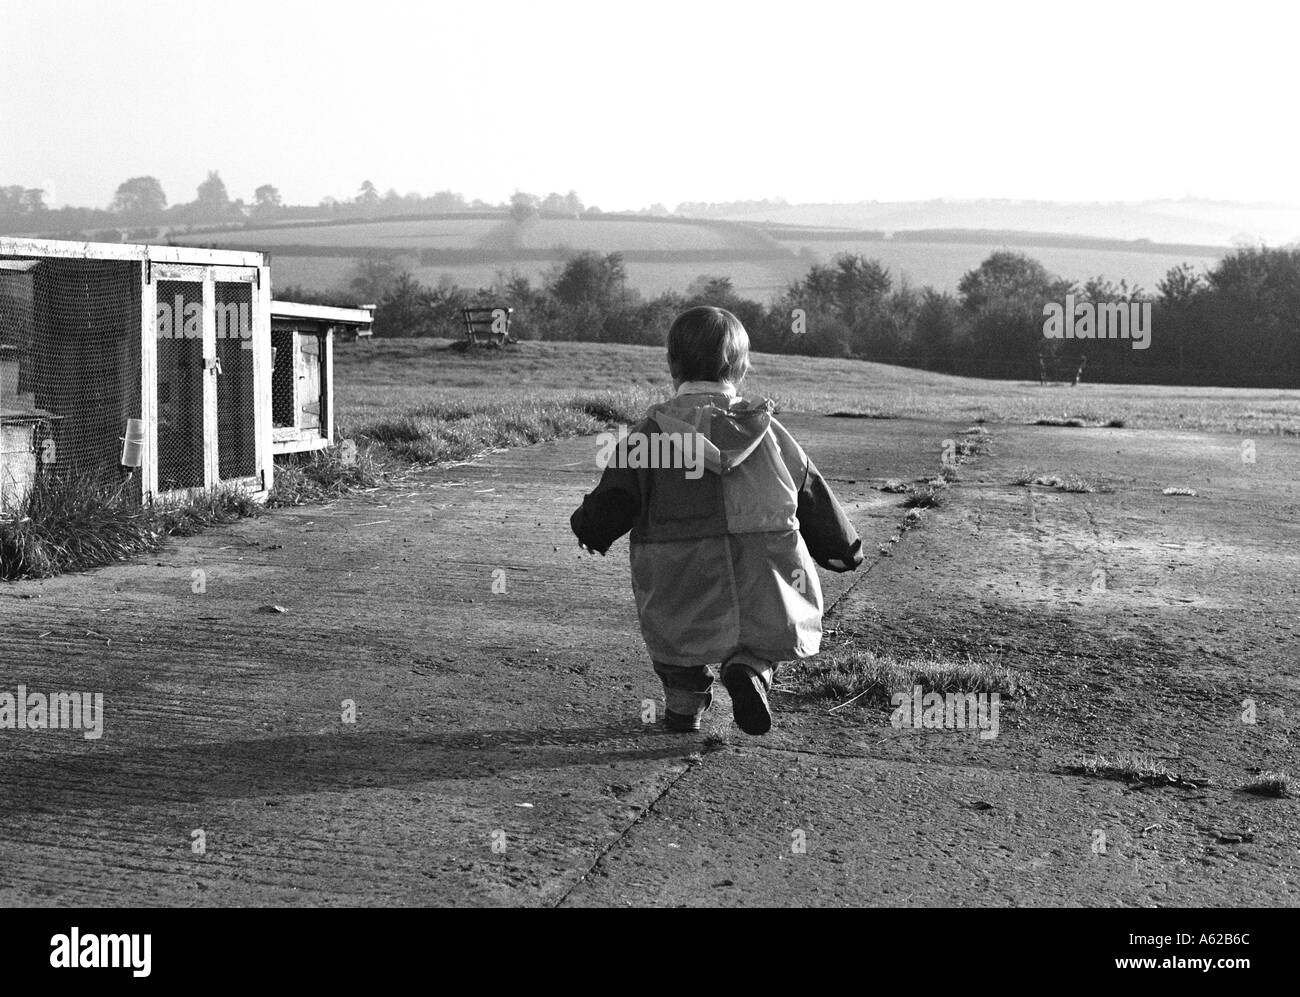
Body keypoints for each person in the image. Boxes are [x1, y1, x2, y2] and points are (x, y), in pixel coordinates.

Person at [570, 306, 863, 735]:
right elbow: (809, 489)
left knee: (675, 636)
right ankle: (749, 671)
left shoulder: (649, 435)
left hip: (680, 565)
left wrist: (591, 527)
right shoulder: (769, 431)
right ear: (741, 368)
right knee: (763, 630)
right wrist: (842, 546)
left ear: (672, 365)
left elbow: (618, 493)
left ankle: (685, 704)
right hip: (763, 561)